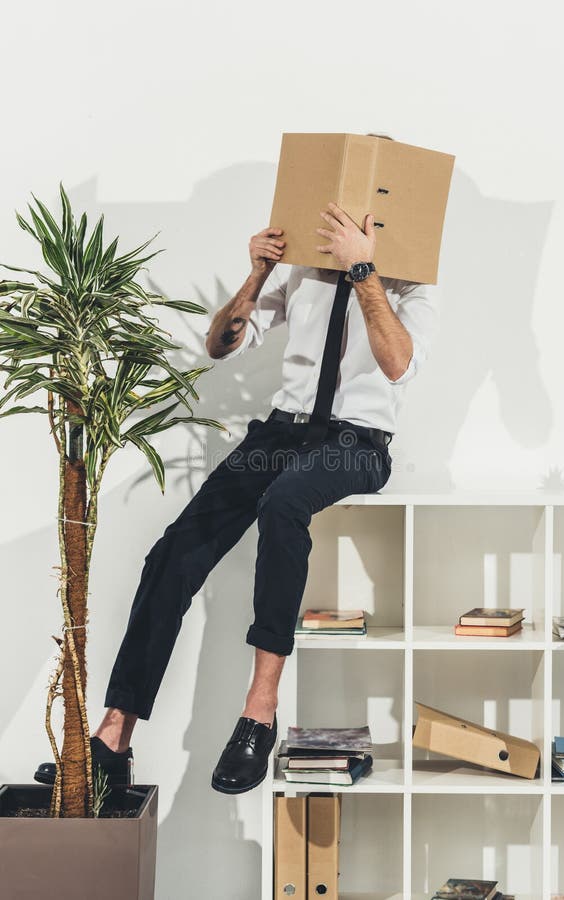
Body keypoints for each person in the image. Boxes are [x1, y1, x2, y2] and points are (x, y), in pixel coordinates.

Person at [35, 169, 440, 797]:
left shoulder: (413, 277)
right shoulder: (305, 266)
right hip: (279, 434)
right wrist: (255, 274)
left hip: (355, 443)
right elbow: (222, 343)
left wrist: (365, 273)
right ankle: (115, 737)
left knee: (285, 503)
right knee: (174, 552)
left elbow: (396, 365)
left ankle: (259, 708)